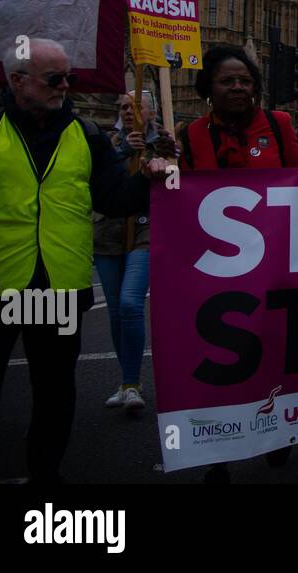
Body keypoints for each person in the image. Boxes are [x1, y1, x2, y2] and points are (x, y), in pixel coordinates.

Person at [0, 38, 171, 483]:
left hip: (59, 285)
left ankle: (46, 478)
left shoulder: (86, 135)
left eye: (70, 77)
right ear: (17, 81)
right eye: (54, 78)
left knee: (55, 393)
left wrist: (147, 179)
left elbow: (114, 200)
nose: (66, 85)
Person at [179, 44, 298, 482]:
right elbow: (179, 197)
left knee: (276, 352)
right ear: (208, 88)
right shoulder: (191, 134)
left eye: (245, 80)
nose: (237, 87)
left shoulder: (279, 124)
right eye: (227, 81)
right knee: (220, 357)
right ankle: (218, 450)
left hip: (274, 262)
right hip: (218, 270)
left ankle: (279, 431)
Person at [95, 90, 175, 413]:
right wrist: (124, 149)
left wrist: (171, 158)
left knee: (130, 302)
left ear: (152, 113)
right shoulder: (106, 142)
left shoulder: (165, 142)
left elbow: (178, 183)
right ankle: (129, 381)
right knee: (115, 312)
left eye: (136, 107)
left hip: (146, 227)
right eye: (124, 107)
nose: (129, 112)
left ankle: (131, 384)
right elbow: (96, 179)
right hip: (108, 230)